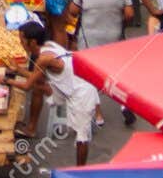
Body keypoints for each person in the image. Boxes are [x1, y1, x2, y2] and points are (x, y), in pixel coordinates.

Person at [8, 17, 99, 166]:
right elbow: (36, 77)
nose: (21, 43)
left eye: (22, 40)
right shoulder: (49, 46)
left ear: (32, 42)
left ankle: (80, 170)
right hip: (70, 86)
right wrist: (18, 70)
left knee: (82, 137)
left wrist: (6, 81)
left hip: (81, 92)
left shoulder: (43, 59)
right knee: (40, 86)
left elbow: (27, 86)